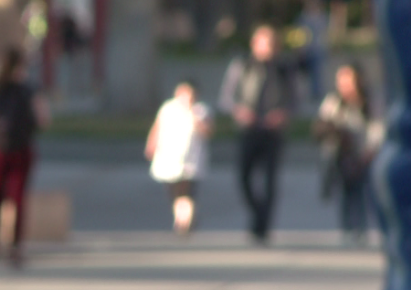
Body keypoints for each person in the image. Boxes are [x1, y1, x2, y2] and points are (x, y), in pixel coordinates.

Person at [0, 47, 51, 266]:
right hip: (21, 149)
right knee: (17, 198)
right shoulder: (27, 90)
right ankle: (15, 245)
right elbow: (43, 118)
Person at [219, 25, 296, 245]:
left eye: (272, 44)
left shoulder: (284, 68)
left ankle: (263, 226)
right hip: (249, 129)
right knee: (244, 177)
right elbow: (227, 98)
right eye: (263, 43)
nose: (268, 49)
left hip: (273, 131)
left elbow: (295, 99)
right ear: (254, 45)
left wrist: (283, 114)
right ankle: (257, 215)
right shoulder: (242, 66)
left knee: (270, 181)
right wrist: (240, 112)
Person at [313, 64, 383, 246]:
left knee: (359, 193)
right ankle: (347, 228)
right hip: (340, 154)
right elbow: (322, 124)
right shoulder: (334, 101)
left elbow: (377, 128)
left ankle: (360, 228)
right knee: (344, 193)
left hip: (361, 155)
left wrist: (370, 150)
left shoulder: (367, 102)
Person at [145, 80, 213, 235]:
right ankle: (183, 218)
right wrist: (151, 144)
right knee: (174, 192)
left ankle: (184, 221)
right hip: (169, 158)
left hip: (191, 160)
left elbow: (208, 131)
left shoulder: (200, 110)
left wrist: (193, 115)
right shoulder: (168, 108)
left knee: (187, 192)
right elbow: (157, 126)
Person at [297, 0, 329, 101]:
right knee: (310, 73)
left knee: (317, 72)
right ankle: (313, 92)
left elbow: (325, 33)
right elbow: (301, 35)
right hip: (308, 49)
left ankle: (316, 93)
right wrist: (301, 49)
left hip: (318, 49)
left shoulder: (321, 17)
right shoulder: (303, 18)